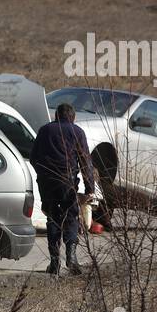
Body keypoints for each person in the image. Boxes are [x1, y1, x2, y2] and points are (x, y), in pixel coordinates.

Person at [30, 102, 95, 276]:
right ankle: (71, 258)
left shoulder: (44, 130)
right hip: (67, 182)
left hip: (47, 182)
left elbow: (33, 158)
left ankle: (54, 262)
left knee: (53, 218)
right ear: (72, 117)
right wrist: (90, 188)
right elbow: (85, 162)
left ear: (56, 116)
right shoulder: (77, 132)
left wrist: (43, 175)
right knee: (71, 217)